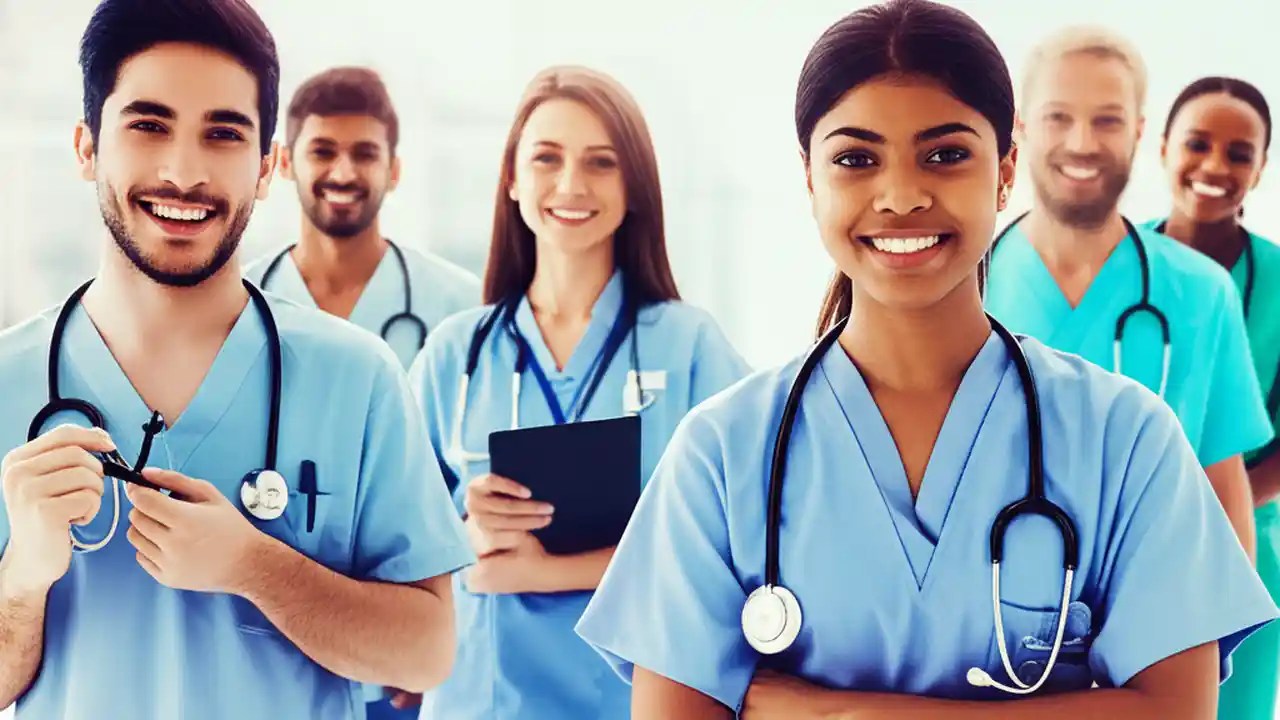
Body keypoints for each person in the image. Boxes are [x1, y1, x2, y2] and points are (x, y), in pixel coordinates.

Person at [573, 2, 1278, 718]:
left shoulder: (1126, 438)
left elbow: (1176, 711)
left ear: (1005, 173)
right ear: (810, 178)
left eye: (945, 154)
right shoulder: (721, 454)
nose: (902, 194)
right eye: (856, 158)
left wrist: (837, 712)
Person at [0, 2, 472, 718]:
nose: (183, 171)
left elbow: (427, 652)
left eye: (223, 133)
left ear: (265, 167)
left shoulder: (358, 379)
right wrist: (22, 581)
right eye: (148, 125)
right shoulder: (7, 381)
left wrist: (256, 567)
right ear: (87, 147)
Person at [409, 65, 750, 719]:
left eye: (601, 162)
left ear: (635, 188)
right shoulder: (455, 354)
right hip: (482, 699)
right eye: (546, 158)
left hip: (631, 700)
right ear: (511, 178)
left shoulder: (690, 349)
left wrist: (542, 571)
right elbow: (392, 552)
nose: (571, 185)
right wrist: (464, 534)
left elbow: (735, 547)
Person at [983, 27, 1272, 560]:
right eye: (1058, 117)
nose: (1083, 142)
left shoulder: (1202, 293)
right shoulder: (965, 281)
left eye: (1107, 120)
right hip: (989, 612)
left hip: (1158, 617)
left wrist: (1223, 641)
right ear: (1020, 129)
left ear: (1139, 133)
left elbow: (1224, 495)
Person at [1145, 76, 1278, 720]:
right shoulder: (1104, 264)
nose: (1215, 166)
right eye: (1197, 143)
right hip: (1116, 555)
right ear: (1163, 147)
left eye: (1240, 152)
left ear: (1260, 169)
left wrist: (1216, 516)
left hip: (1246, 555)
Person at [244, 67, 480, 370]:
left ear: (393, 172)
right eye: (322, 152)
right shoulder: (238, 303)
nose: (343, 174)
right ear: (286, 163)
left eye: (365, 154)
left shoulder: (459, 304)